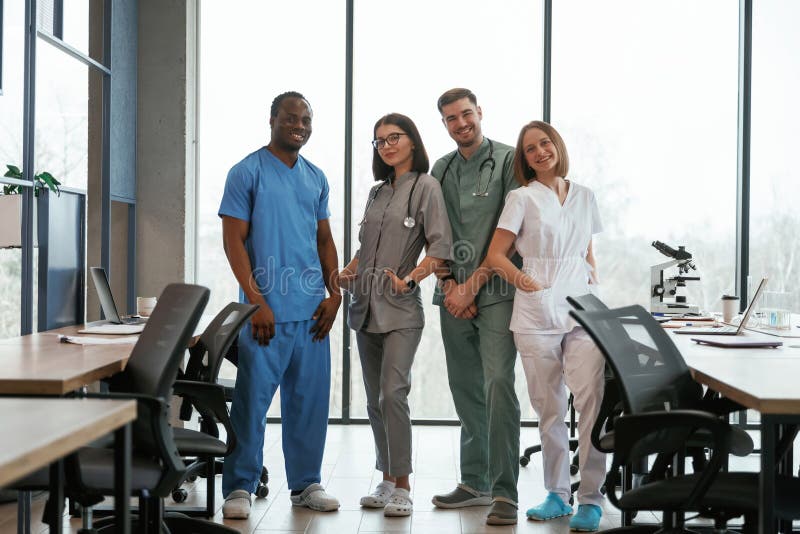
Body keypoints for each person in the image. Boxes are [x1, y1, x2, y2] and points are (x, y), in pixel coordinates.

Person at [218, 91, 341, 519]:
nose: (300, 125)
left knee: (308, 404)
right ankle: (238, 487)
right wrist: (256, 301)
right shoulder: (246, 172)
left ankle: (306, 483)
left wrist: (335, 295)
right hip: (264, 316)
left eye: (306, 119)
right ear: (272, 119)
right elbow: (233, 240)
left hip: (310, 315)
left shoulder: (316, 177)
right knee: (251, 403)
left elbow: (323, 240)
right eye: (291, 118)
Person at [486, 120, 606, 532]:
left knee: (591, 401)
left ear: (557, 145)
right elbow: (496, 255)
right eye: (531, 149)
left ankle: (591, 498)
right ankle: (558, 494)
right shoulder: (521, 198)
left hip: (581, 308)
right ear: (524, 159)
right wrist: (526, 281)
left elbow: (587, 250)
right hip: (536, 312)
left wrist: (591, 278)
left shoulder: (585, 196)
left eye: (545, 143)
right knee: (549, 408)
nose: (540, 152)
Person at [340, 113, 452, 517]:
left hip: (402, 311)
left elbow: (439, 248)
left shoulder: (426, 186)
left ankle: (403, 485)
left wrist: (411, 279)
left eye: (394, 138)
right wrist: (349, 270)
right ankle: (386, 478)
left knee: (392, 394)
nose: (387, 146)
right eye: (380, 141)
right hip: (364, 308)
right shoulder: (376, 192)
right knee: (374, 401)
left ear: (411, 141)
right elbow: (364, 247)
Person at [429, 88, 522, 526]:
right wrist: (450, 284)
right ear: (444, 124)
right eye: (451, 118)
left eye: (466, 114)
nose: (460, 123)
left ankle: (504, 492)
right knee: (465, 387)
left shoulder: (507, 161)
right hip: (452, 291)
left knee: (498, 383)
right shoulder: (441, 168)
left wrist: (473, 286)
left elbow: (514, 230)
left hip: (497, 290)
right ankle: (474, 481)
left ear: (480, 112)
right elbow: (436, 230)